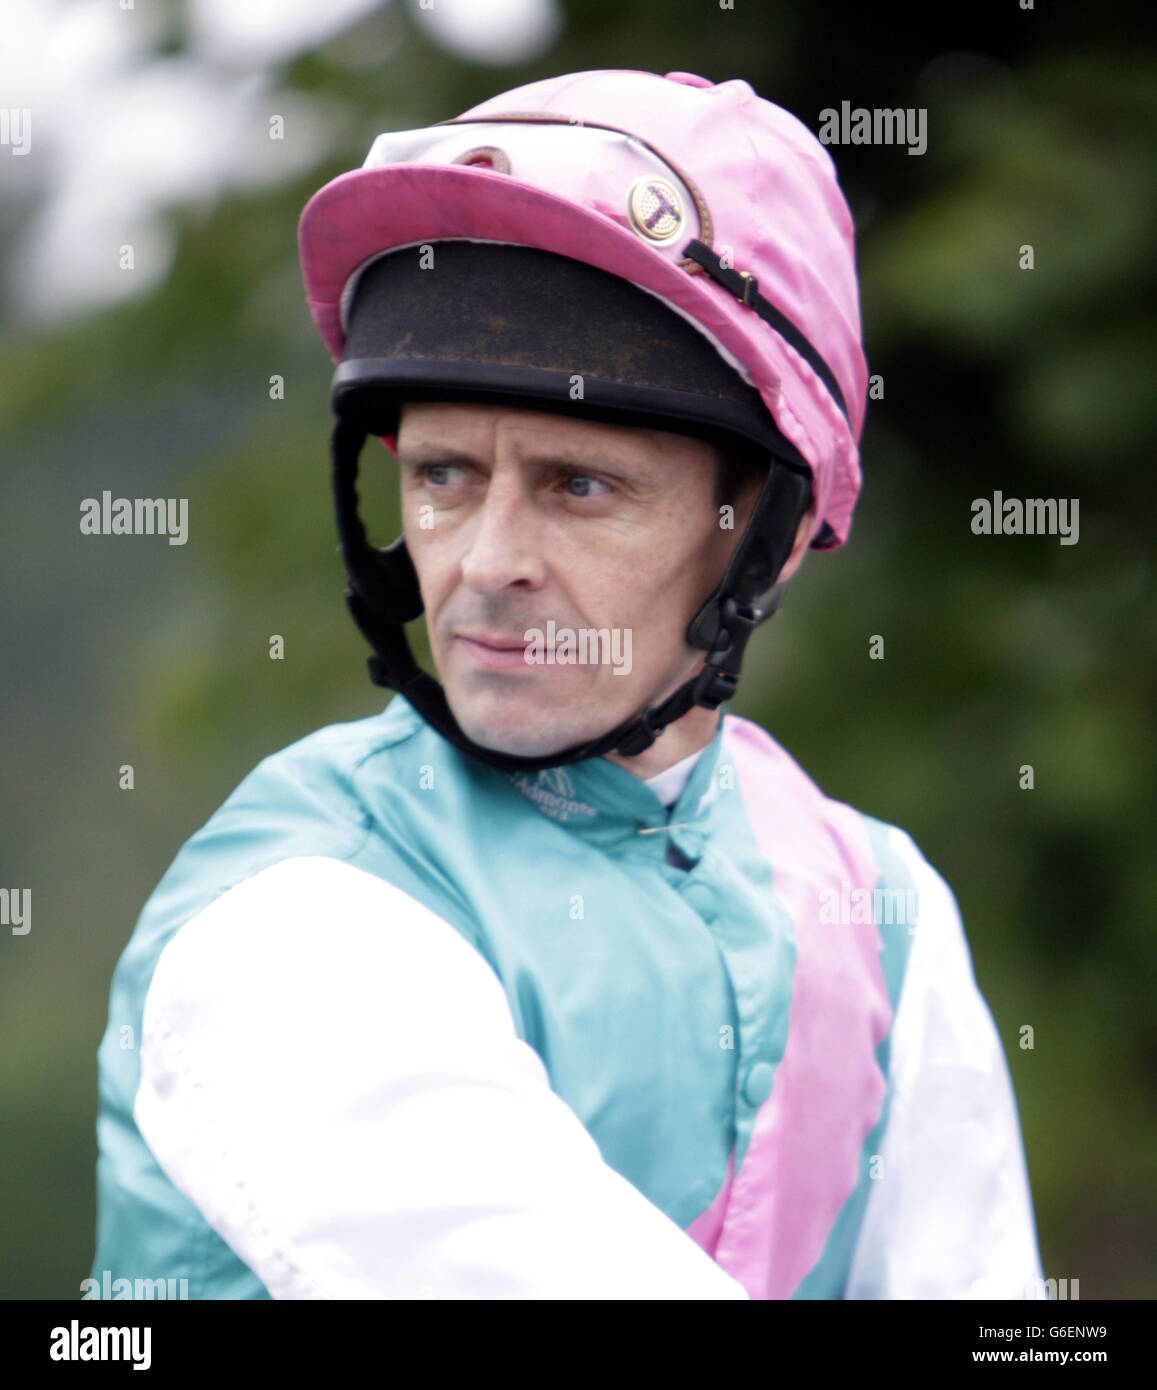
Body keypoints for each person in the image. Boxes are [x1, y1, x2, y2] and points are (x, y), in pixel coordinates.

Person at [89, 68, 1046, 1299]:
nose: (485, 566)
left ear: (770, 532)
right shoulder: (293, 914)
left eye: (576, 486)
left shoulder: (882, 908)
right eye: (440, 475)